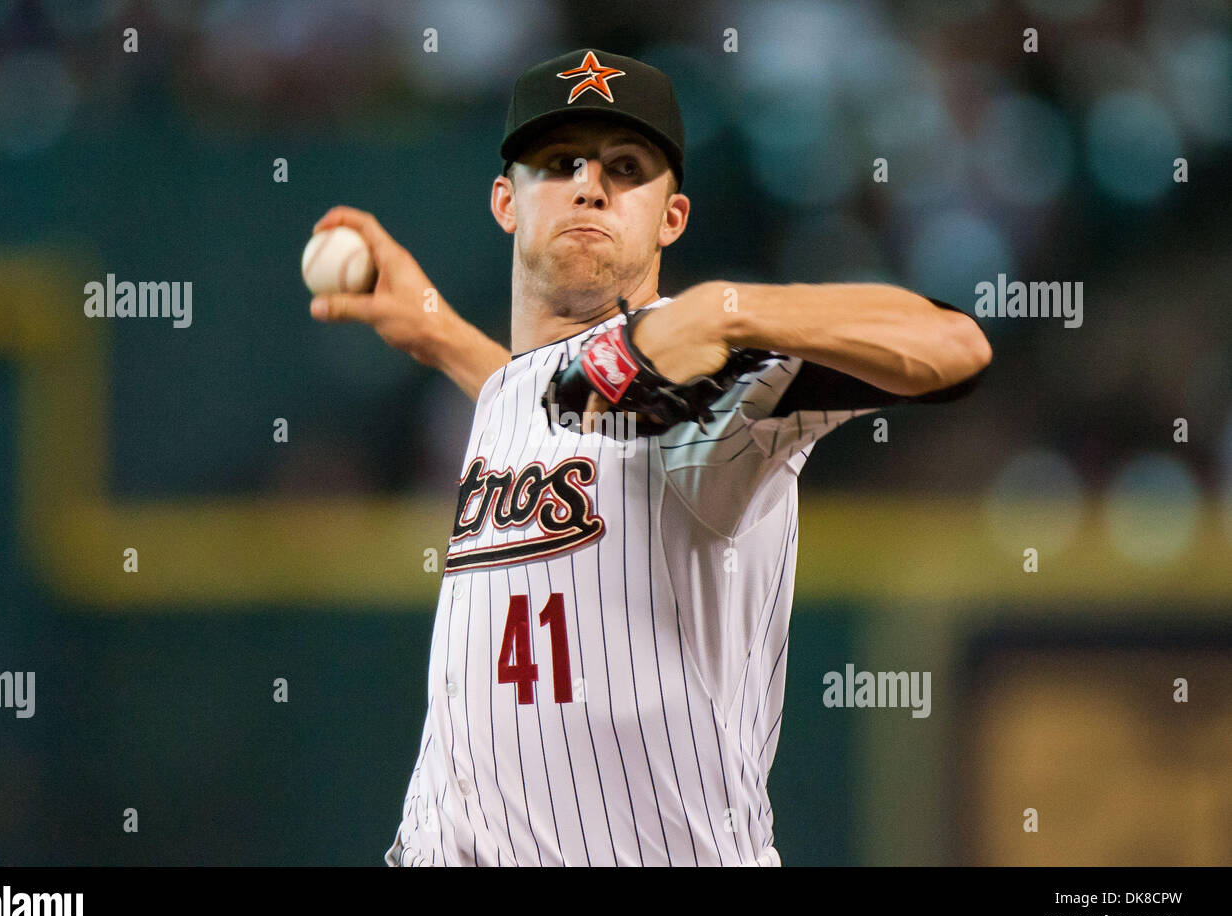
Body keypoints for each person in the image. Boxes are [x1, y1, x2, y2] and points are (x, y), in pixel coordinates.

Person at [309, 49, 991, 866]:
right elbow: (558, 418)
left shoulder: (705, 379)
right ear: (505, 203)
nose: (589, 186)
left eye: (626, 168)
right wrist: (439, 333)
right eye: (559, 163)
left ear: (672, 217)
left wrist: (727, 310)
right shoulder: (515, 394)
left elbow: (955, 345)